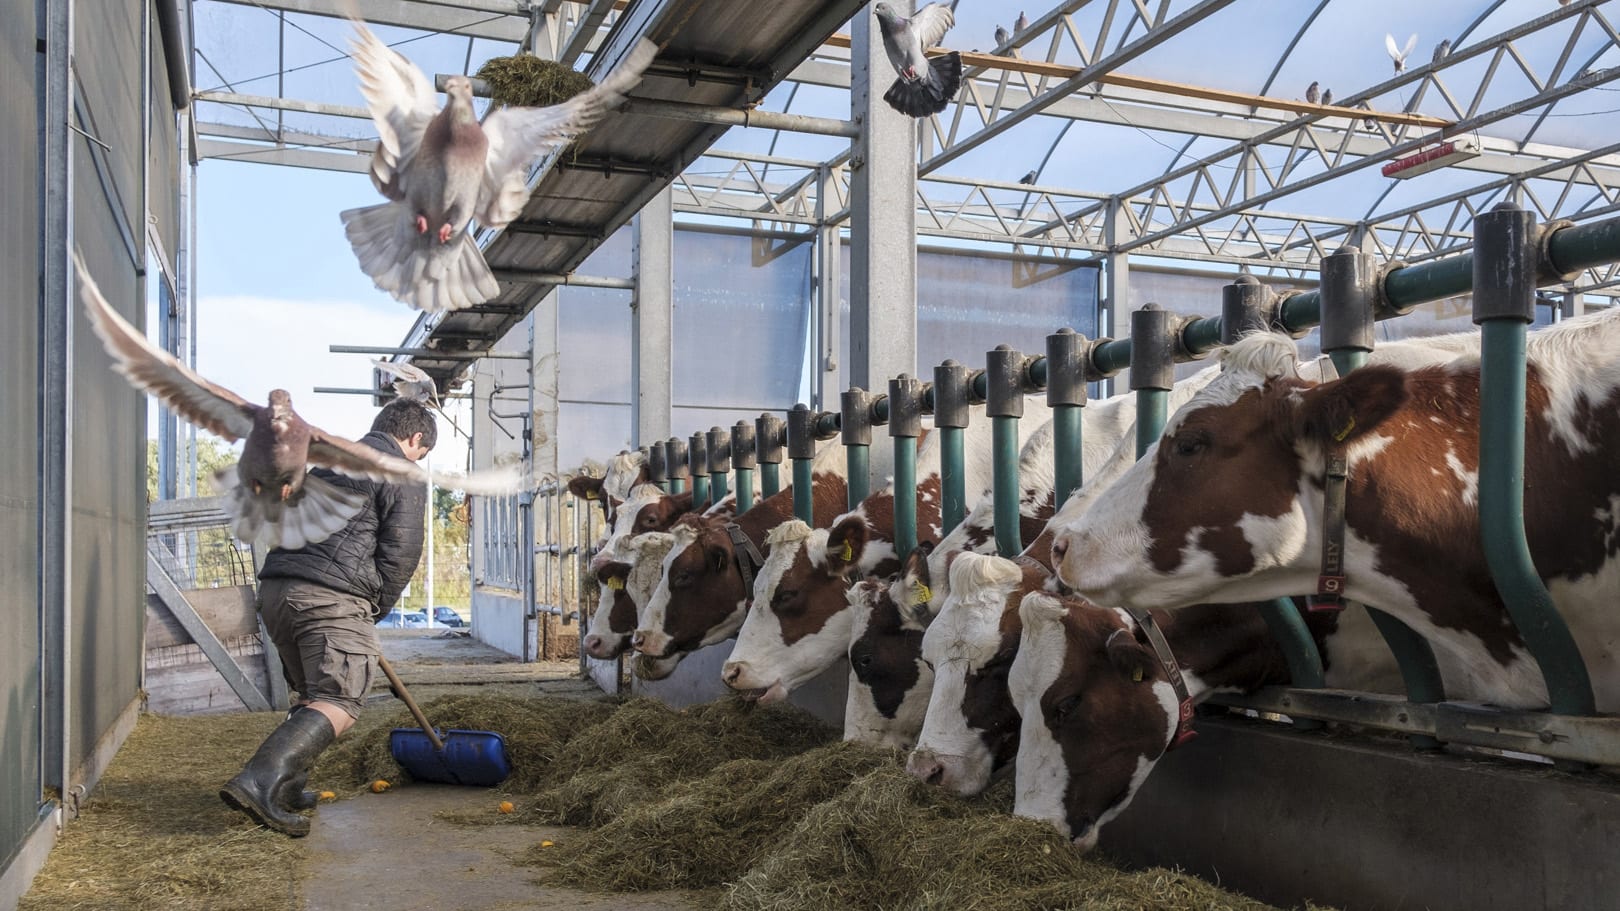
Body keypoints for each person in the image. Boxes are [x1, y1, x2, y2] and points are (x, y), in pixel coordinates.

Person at [220, 398, 435, 837]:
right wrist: (372, 611)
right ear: (415, 439)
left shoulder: (328, 463)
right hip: (330, 598)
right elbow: (401, 554)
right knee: (340, 699)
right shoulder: (401, 471)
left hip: (278, 591)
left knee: (312, 696)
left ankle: (288, 787)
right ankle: (258, 783)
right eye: (423, 452)